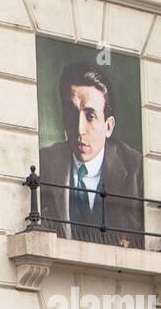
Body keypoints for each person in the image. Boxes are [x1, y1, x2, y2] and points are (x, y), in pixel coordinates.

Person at [38, 62, 144, 247]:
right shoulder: (44, 163)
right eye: (71, 112)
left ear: (109, 126)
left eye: (90, 116)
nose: (79, 129)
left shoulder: (136, 169)